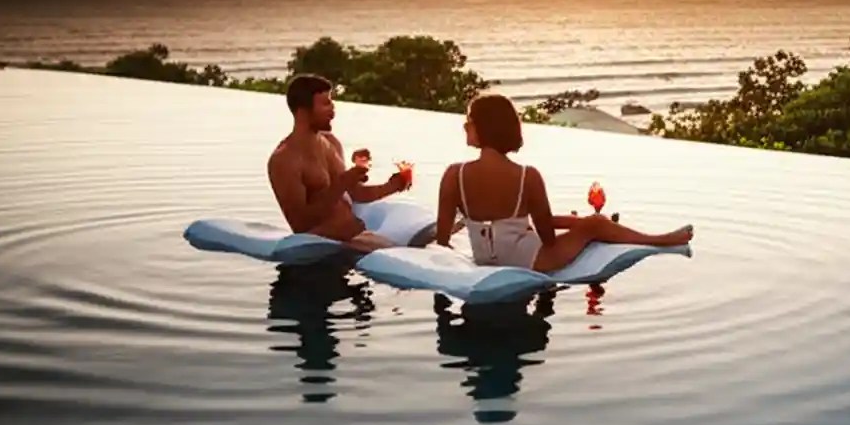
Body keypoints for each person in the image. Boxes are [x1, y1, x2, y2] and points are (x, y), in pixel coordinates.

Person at [434, 93, 693, 272]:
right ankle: (660, 240)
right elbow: (547, 236)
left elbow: (443, 240)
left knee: (591, 223)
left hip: (482, 259)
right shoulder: (527, 176)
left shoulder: (453, 175)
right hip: (532, 261)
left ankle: (609, 227)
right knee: (596, 224)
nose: (465, 127)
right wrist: (586, 225)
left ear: (484, 128)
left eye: (469, 122)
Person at [266, 74, 411, 252]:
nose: (333, 108)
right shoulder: (285, 159)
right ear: (303, 111)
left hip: (355, 238)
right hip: (325, 252)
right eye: (325, 103)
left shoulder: (330, 142)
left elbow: (355, 193)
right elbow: (301, 225)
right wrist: (342, 183)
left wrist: (393, 185)